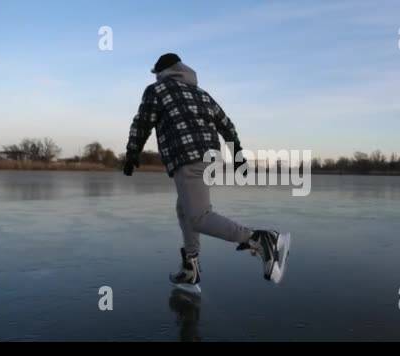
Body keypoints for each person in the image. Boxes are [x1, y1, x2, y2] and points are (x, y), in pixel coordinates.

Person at [124, 53, 290, 290]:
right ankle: (191, 267)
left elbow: (142, 123)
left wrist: (132, 153)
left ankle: (260, 239)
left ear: (161, 71)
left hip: (186, 156)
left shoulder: (156, 90)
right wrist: (237, 154)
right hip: (209, 159)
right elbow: (226, 123)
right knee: (184, 209)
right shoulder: (202, 93)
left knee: (199, 216)